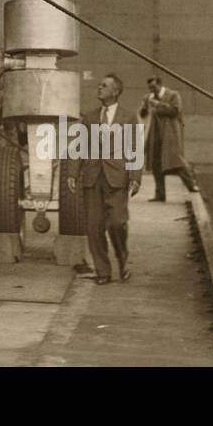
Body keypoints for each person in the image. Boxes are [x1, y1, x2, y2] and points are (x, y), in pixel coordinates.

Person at [67, 74, 142, 285]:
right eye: (99, 85)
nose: (99, 88)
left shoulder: (128, 117)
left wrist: (135, 176)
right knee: (94, 226)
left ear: (115, 91)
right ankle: (103, 271)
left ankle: (122, 256)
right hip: (92, 177)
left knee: (117, 223)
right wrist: (73, 173)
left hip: (117, 177)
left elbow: (135, 148)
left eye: (104, 85)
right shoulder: (90, 117)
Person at [143, 75, 199, 200]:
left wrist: (158, 105)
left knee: (176, 160)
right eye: (150, 88)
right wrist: (145, 107)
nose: (152, 90)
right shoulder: (149, 97)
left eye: (154, 87)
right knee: (156, 163)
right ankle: (160, 194)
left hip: (169, 133)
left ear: (159, 84)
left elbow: (175, 111)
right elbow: (143, 113)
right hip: (154, 133)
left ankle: (191, 185)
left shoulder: (173, 95)